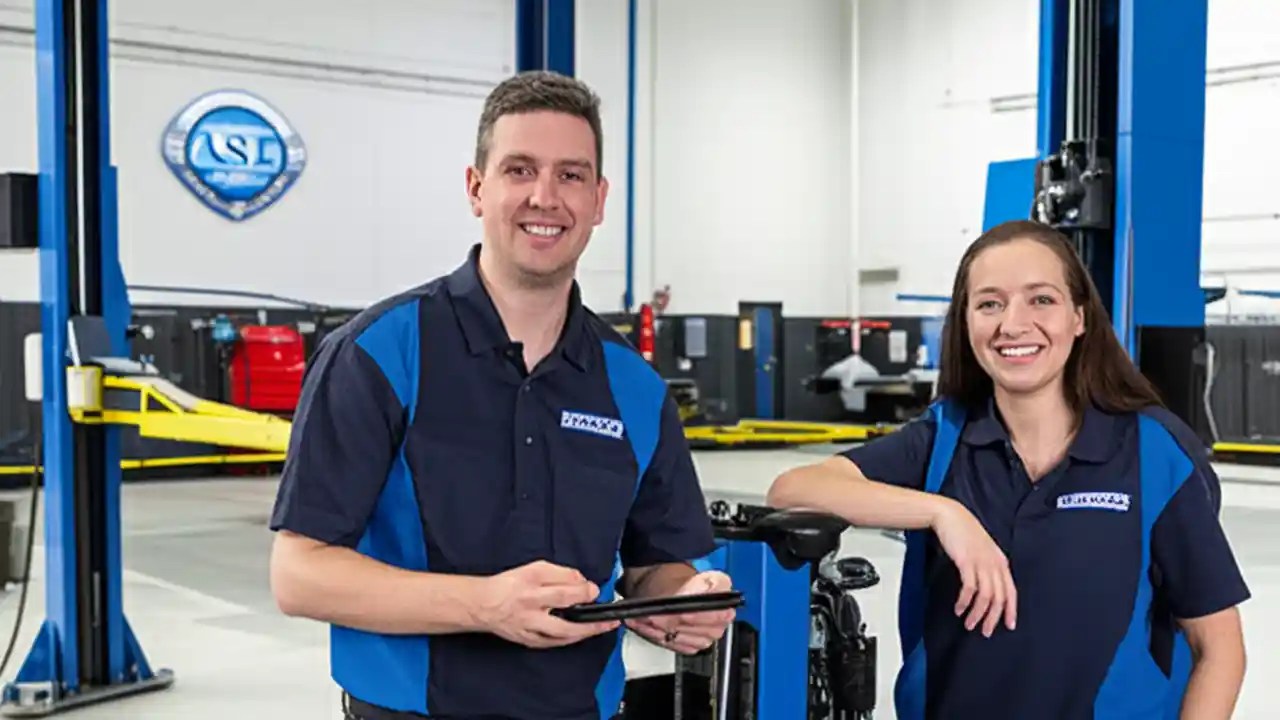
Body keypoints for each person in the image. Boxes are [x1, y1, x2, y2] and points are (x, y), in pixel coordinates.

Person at [268, 70, 734, 720]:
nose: (546, 197)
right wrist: (484, 605)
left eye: (571, 175)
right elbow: (299, 574)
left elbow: (656, 564)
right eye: (520, 170)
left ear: (599, 200)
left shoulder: (636, 387)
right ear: (476, 188)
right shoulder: (378, 354)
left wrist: (685, 599)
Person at [766, 220, 1249, 719]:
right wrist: (944, 514)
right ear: (966, 323)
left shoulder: (1153, 452)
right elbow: (793, 489)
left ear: (1079, 317)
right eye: (990, 304)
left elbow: (1219, 648)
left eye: (1041, 299)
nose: (1013, 324)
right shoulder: (943, 440)